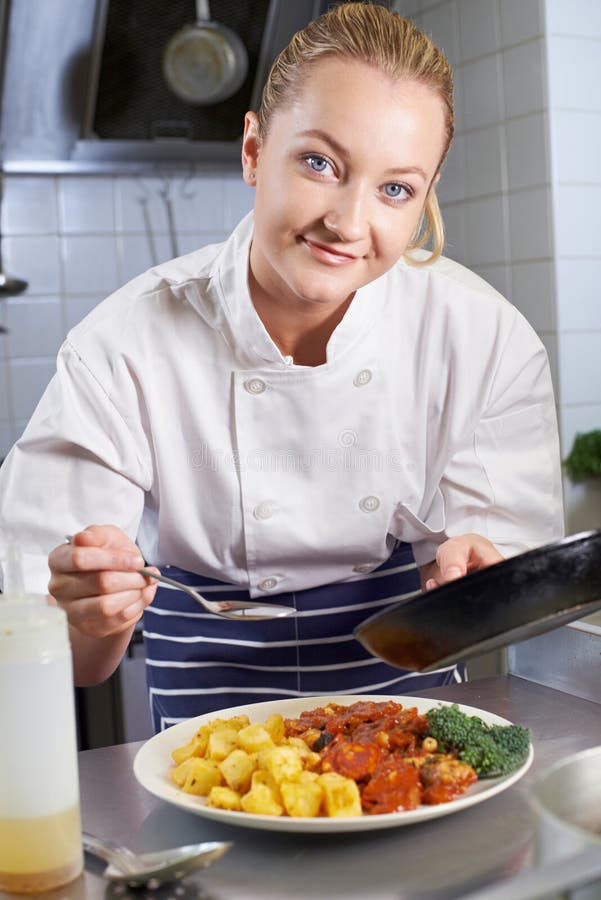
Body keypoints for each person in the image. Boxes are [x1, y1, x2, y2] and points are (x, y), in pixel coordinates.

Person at [0, 3, 563, 731]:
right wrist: (95, 611)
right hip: (207, 738)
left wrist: (481, 582)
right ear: (253, 151)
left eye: (395, 188)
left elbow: (511, 616)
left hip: (407, 711)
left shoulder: (481, 336)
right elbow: (57, 648)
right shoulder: (123, 344)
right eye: (320, 163)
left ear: (423, 199)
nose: (348, 223)